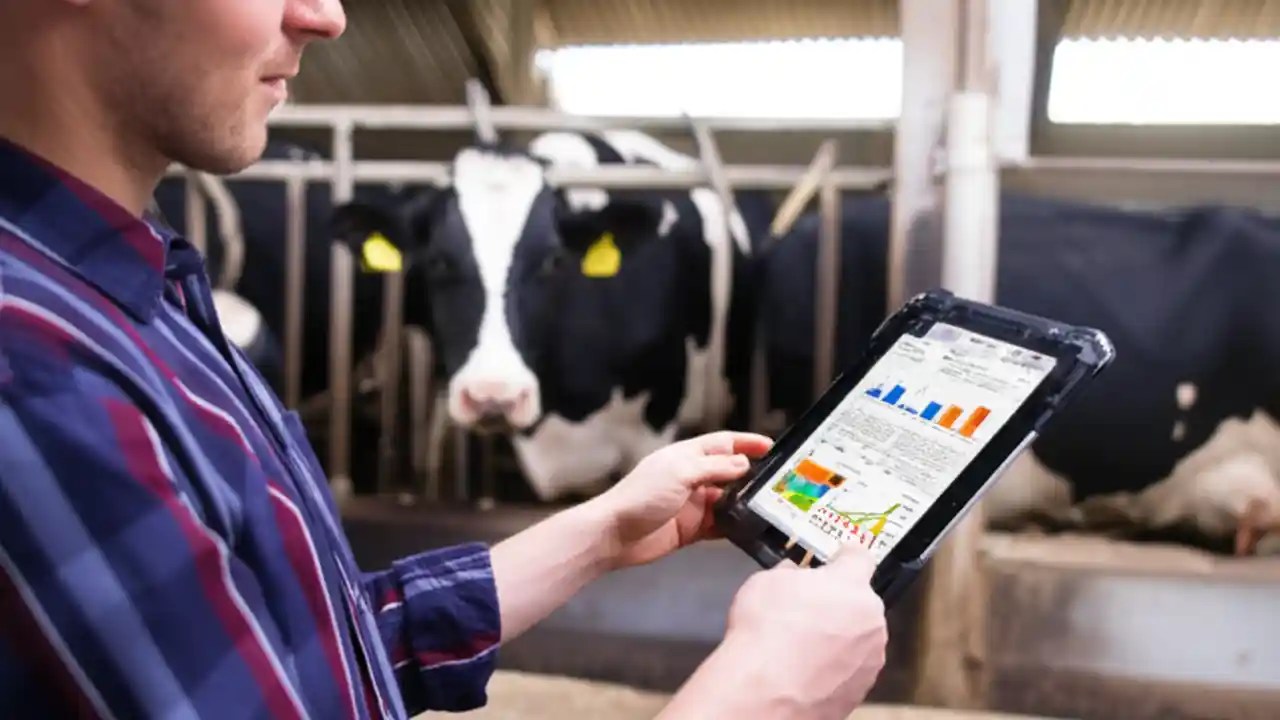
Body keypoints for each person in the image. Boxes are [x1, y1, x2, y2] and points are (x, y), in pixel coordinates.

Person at [0, 1, 889, 718]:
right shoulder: (33, 364)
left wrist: (597, 531)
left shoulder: (138, 287)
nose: (327, 16)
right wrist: (767, 695)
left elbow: (300, 667)